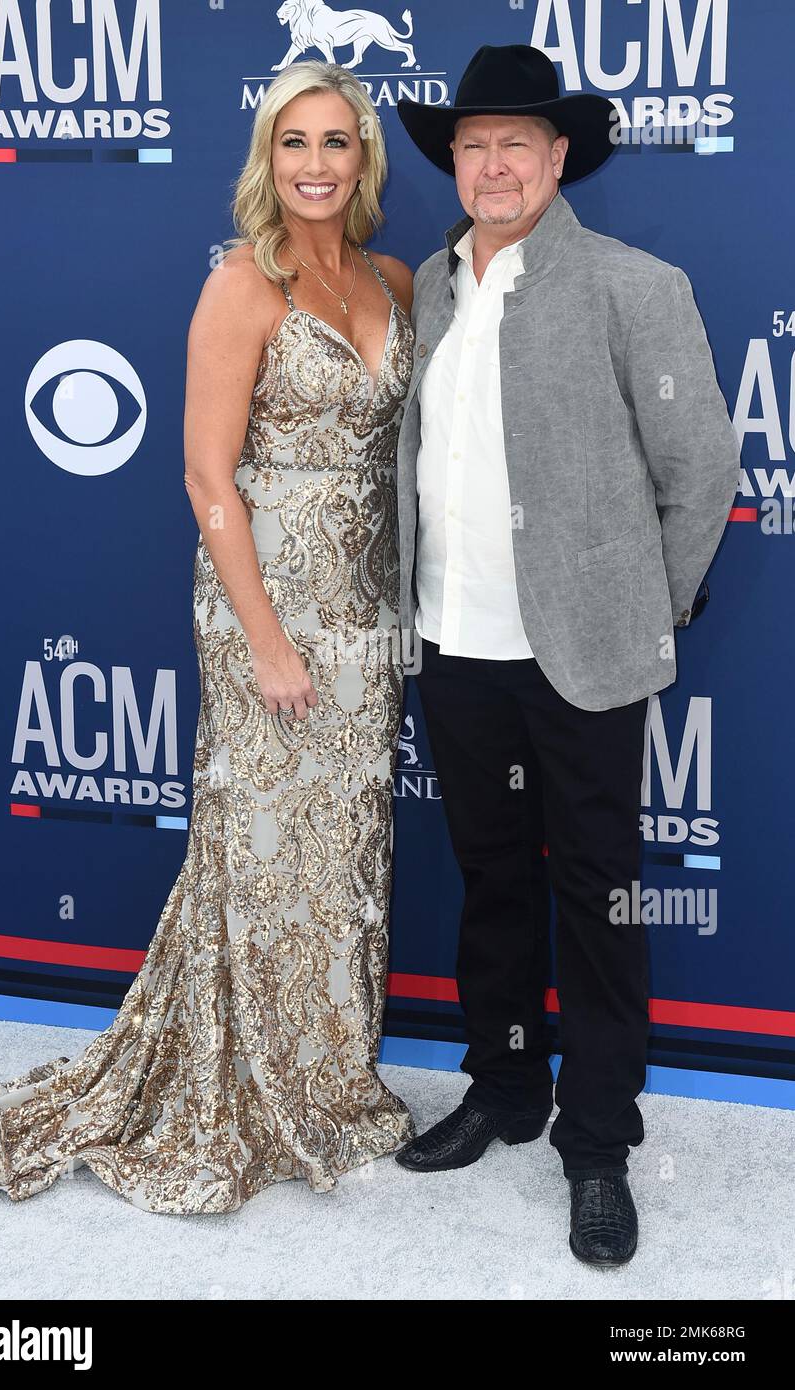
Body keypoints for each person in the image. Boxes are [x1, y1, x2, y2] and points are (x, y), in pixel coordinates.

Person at [0, 60, 417, 1214]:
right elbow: (208, 474)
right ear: (267, 157)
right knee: (257, 851)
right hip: (267, 599)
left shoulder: (395, 277)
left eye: (335, 142)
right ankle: (244, 1085)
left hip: (369, 604)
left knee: (344, 849)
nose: (314, 163)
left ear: (363, 159)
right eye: (292, 141)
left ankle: (327, 1077)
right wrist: (263, 639)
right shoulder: (238, 286)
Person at [392, 44, 741, 1266]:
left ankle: (595, 1141)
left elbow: (701, 476)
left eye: (516, 146)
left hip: (582, 656)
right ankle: (502, 1085)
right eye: (472, 145)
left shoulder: (634, 285)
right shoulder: (427, 287)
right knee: (491, 881)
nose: (492, 165)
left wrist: (647, 608)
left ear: (555, 160)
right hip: (451, 640)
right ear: (453, 159)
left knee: (596, 896)